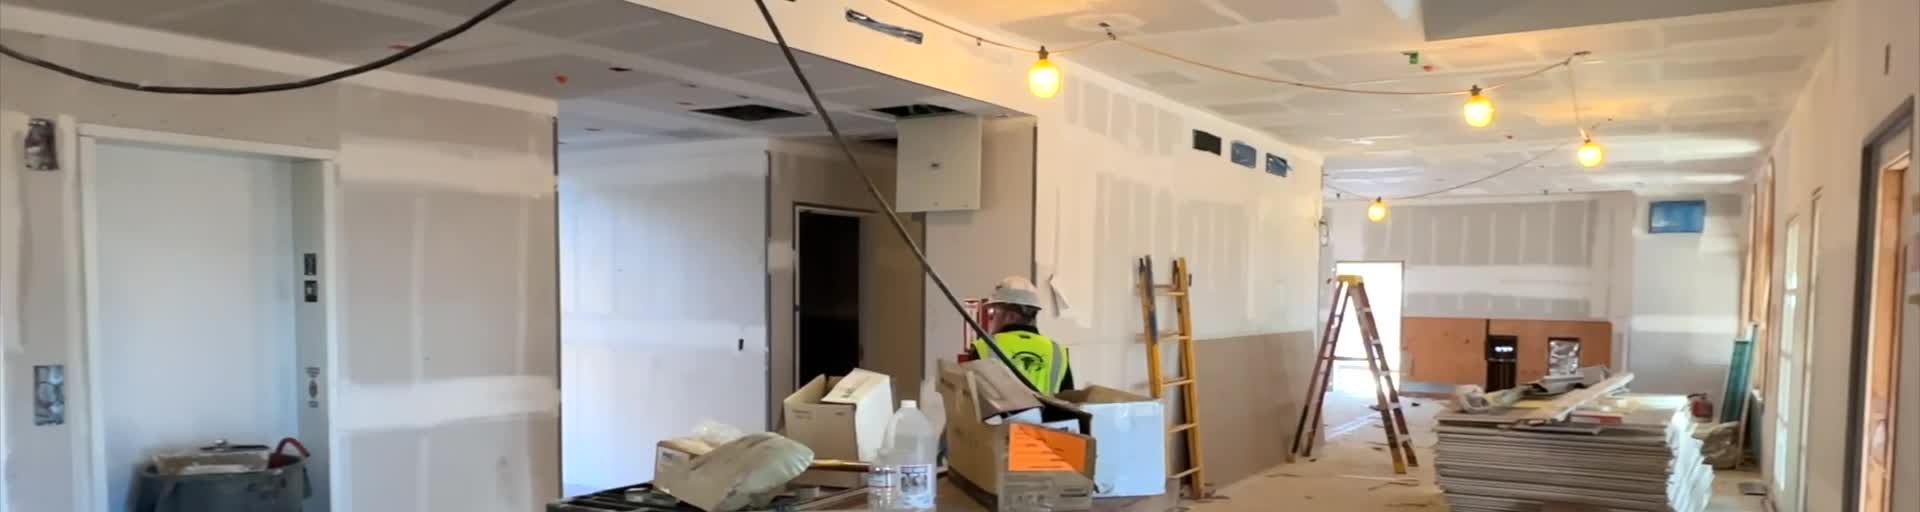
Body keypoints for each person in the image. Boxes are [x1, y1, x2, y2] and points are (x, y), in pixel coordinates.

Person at [967, 276, 1074, 395]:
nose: (991, 319)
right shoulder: (1057, 352)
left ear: (1011, 316)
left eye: (994, 313)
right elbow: (1069, 400)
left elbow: (968, 397)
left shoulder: (983, 347)